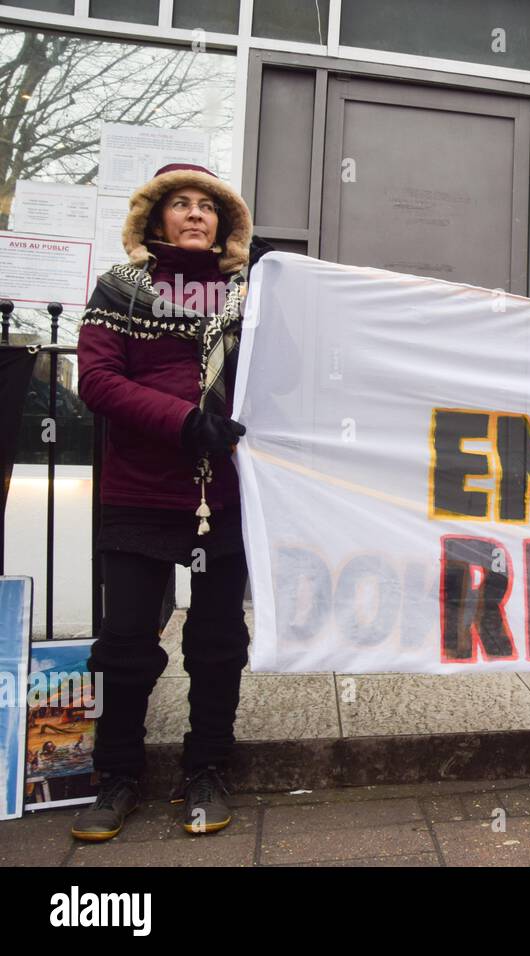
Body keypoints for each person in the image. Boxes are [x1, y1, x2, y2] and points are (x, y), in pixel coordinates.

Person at [71, 163, 256, 841]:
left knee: (215, 641)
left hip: (224, 496)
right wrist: (183, 421)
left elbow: (283, 375)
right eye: (180, 204)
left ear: (222, 223)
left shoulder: (247, 295)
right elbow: (95, 379)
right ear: (155, 220)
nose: (196, 214)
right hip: (140, 493)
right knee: (125, 642)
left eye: (209, 206)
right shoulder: (121, 289)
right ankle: (116, 777)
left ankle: (206, 770)